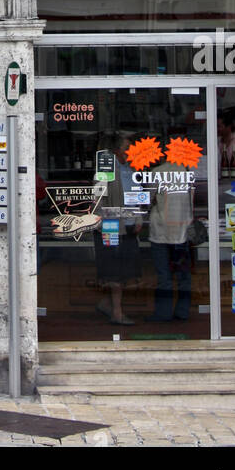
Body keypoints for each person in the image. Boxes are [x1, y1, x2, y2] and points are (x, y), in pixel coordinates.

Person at [92, 131, 143, 325]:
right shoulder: (104, 171)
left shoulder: (129, 170)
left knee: (126, 272)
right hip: (112, 227)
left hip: (128, 228)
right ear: (115, 151)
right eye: (126, 149)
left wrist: (137, 219)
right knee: (115, 272)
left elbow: (135, 197)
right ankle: (116, 312)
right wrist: (106, 226)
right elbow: (98, 201)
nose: (130, 152)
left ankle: (107, 304)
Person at [147, 135, 195, 322]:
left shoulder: (157, 172)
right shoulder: (186, 172)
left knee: (164, 276)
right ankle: (182, 311)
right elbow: (190, 203)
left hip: (160, 231)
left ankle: (163, 313)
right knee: (183, 275)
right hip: (181, 232)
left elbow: (148, 200)